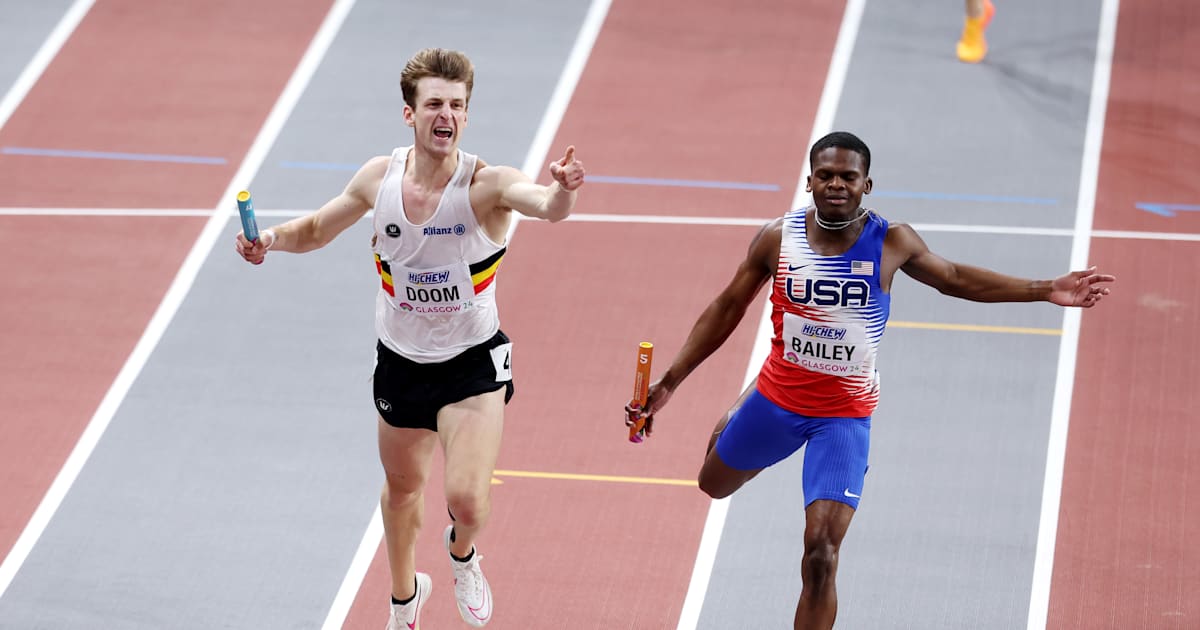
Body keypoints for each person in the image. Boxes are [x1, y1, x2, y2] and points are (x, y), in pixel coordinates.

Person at [629, 131, 1113, 630]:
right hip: (777, 400)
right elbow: (726, 308)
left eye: (848, 177)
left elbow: (953, 277)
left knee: (821, 554)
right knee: (713, 485)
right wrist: (669, 382)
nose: (836, 184)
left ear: (867, 185)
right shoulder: (779, 238)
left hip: (843, 418)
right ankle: (744, 403)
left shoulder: (891, 240)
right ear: (810, 181)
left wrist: (1042, 289)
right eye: (826, 175)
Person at [235, 47, 585, 629]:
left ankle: (462, 553)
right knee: (401, 493)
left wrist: (566, 188)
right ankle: (405, 602)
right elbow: (319, 228)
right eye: (434, 104)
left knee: (468, 499)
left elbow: (548, 207)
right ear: (410, 114)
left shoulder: (487, 186)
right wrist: (268, 239)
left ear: (466, 115)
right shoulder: (380, 179)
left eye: (457, 105)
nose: (445, 114)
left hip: (471, 367)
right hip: (400, 363)